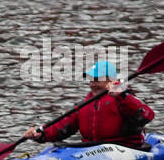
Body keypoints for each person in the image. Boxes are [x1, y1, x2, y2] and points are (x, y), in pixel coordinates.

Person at [23, 60, 155, 148]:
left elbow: (146, 115)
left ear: (111, 80)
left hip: (124, 147)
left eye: (97, 80)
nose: (92, 84)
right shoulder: (85, 104)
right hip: (91, 149)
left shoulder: (125, 97)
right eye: (91, 80)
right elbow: (62, 127)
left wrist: (122, 96)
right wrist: (41, 134)